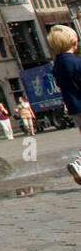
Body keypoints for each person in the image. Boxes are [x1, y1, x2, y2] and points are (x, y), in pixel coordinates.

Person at [46, 24, 81, 185]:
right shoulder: (76, 62)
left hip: (74, 107)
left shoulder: (57, 66)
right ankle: (78, 164)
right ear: (74, 42)